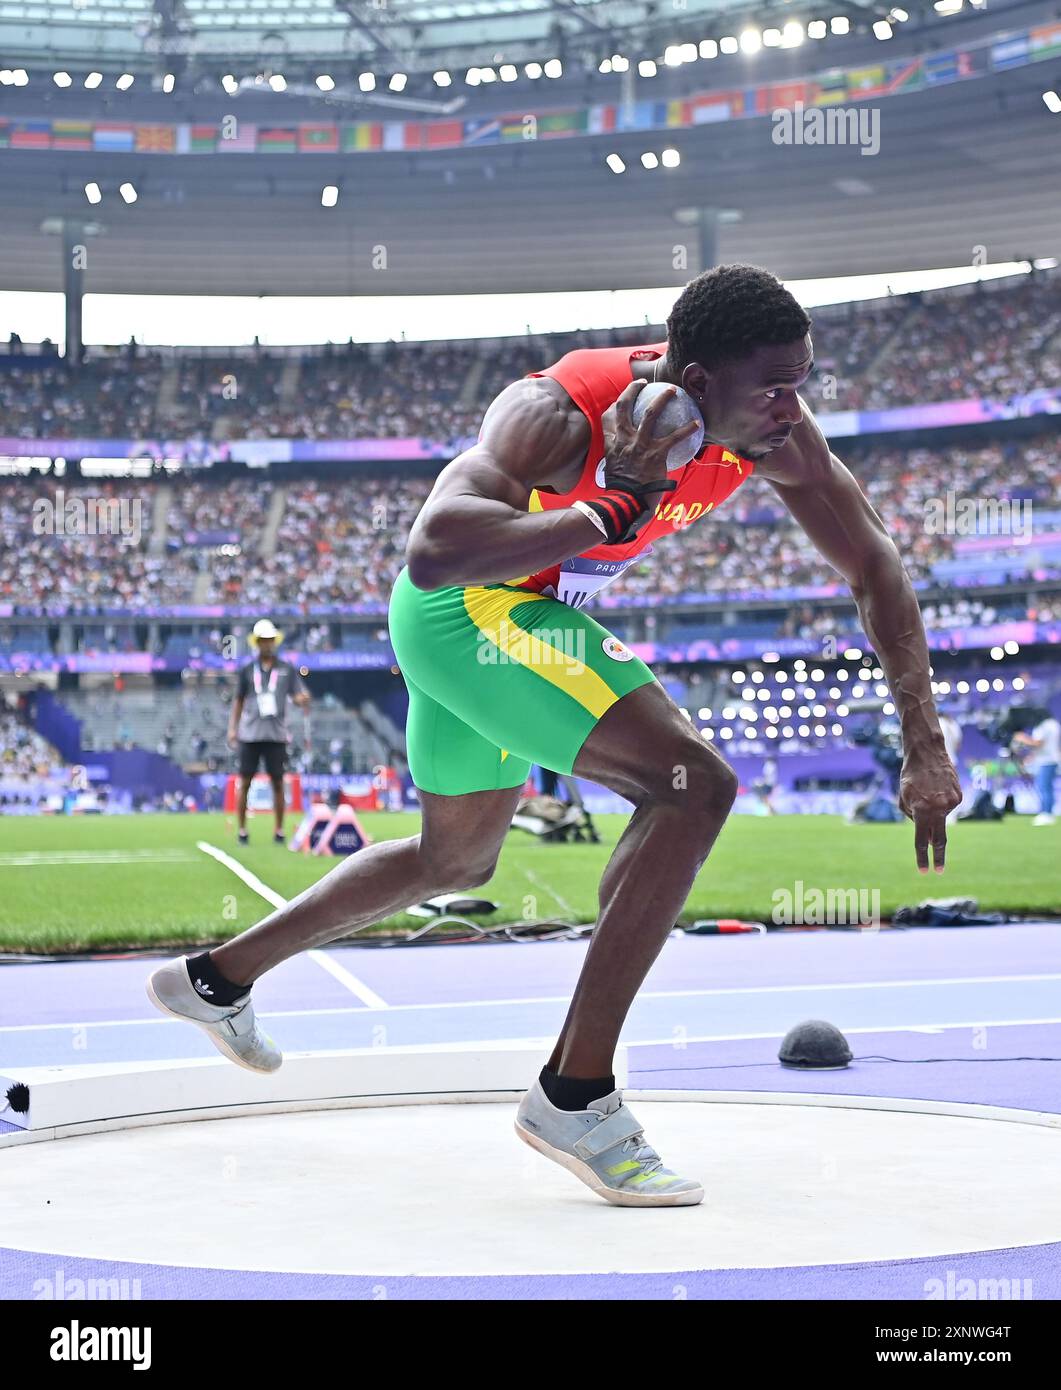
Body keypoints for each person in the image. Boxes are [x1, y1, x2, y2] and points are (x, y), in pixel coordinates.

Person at [148, 264, 960, 1207]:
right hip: (468, 611)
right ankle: (575, 1092)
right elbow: (435, 544)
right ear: (694, 383)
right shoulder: (562, 410)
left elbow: (874, 562)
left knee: (456, 863)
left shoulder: (772, 436)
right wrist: (599, 510)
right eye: (775, 385)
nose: (793, 406)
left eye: (802, 381)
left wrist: (925, 741)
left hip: (495, 625)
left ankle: (215, 979)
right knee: (693, 785)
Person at [226, 619, 310, 845]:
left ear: (274, 641)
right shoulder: (246, 671)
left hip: (276, 735)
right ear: (257, 643)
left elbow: (296, 695)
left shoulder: (286, 669)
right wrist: (232, 729)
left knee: (278, 783)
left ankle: (280, 830)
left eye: (270, 640)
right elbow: (239, 701)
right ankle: (242, 830)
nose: (267, 644)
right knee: (244, 783)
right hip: (250, 734)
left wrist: (303, 699)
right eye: (263, 640)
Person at [1014, 711, 1060, 826]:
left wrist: (1021, 738)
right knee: (1046, 788)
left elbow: (1038, 743)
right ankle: (1047, 813)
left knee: (1044, 787)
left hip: (1046, 761)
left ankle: (1046, 813)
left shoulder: (1044, 726)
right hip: (1051, 759)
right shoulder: (1054, 724)